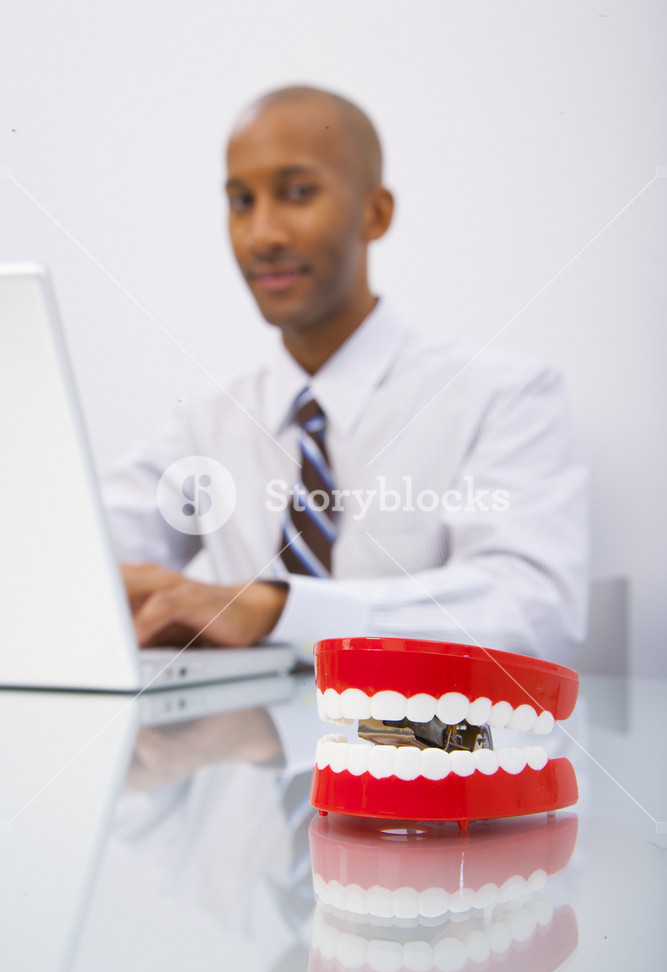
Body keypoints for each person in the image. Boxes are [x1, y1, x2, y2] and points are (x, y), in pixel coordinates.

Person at [104, 84, 589, 665]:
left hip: (424, 752)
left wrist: (279, 611)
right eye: (240, 201)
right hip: (244, 747)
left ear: (375, 213)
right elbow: (74, 551)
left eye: (298, 193)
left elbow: (534, 610)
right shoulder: (206, 426)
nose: (262, 235)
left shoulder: (503, 398)